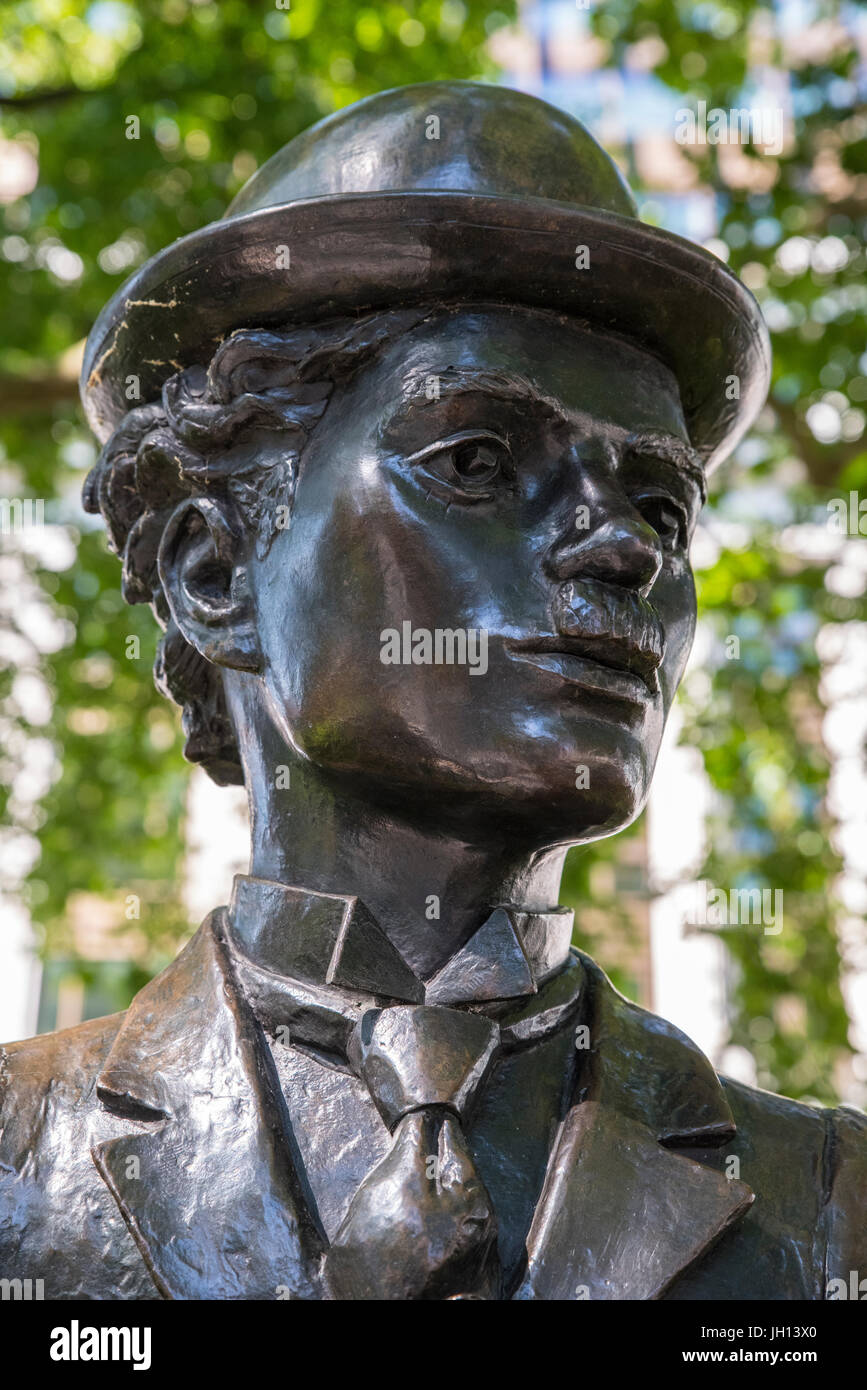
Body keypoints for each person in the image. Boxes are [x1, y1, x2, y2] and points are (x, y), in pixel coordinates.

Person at [1, 82, 863, 1301]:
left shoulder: (835, 1203)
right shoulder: (14, 1164)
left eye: (661, 507)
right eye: (473, 460)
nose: (624, 549)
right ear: (214, 569)